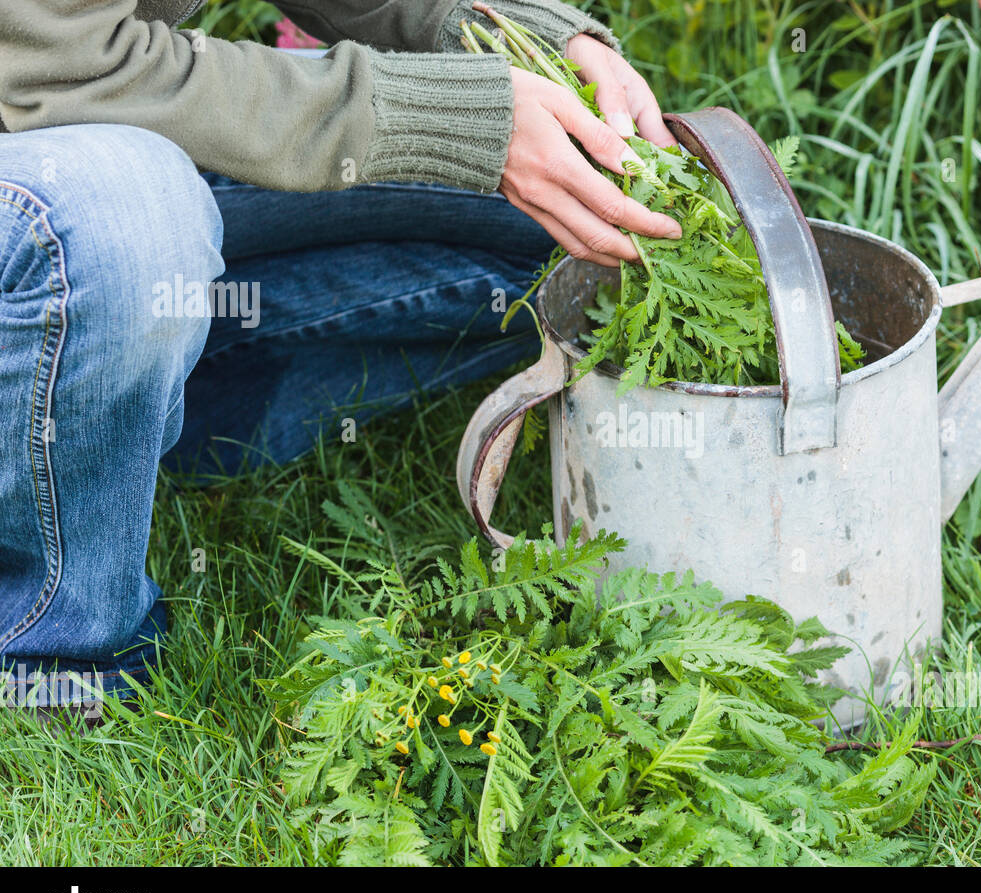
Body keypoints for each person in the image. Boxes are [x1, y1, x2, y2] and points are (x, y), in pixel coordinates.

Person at [0, 0, 681, 711]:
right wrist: (450, 118)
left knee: (583, 203)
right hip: (47, 130)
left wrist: (521, 37)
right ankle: (49, 655)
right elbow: (59, 65)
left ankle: (136, 405)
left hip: (87, 105)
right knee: (120, 221)